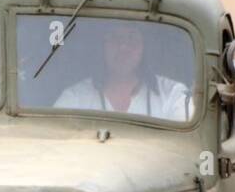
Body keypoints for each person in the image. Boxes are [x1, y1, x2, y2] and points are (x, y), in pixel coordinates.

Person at [54, 22, 192, 121]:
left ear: (144, 47)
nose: (123, 48)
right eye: (114, 38)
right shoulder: (75, 97)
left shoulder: (173, 94)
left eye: (132, 38)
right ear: (103, 46)